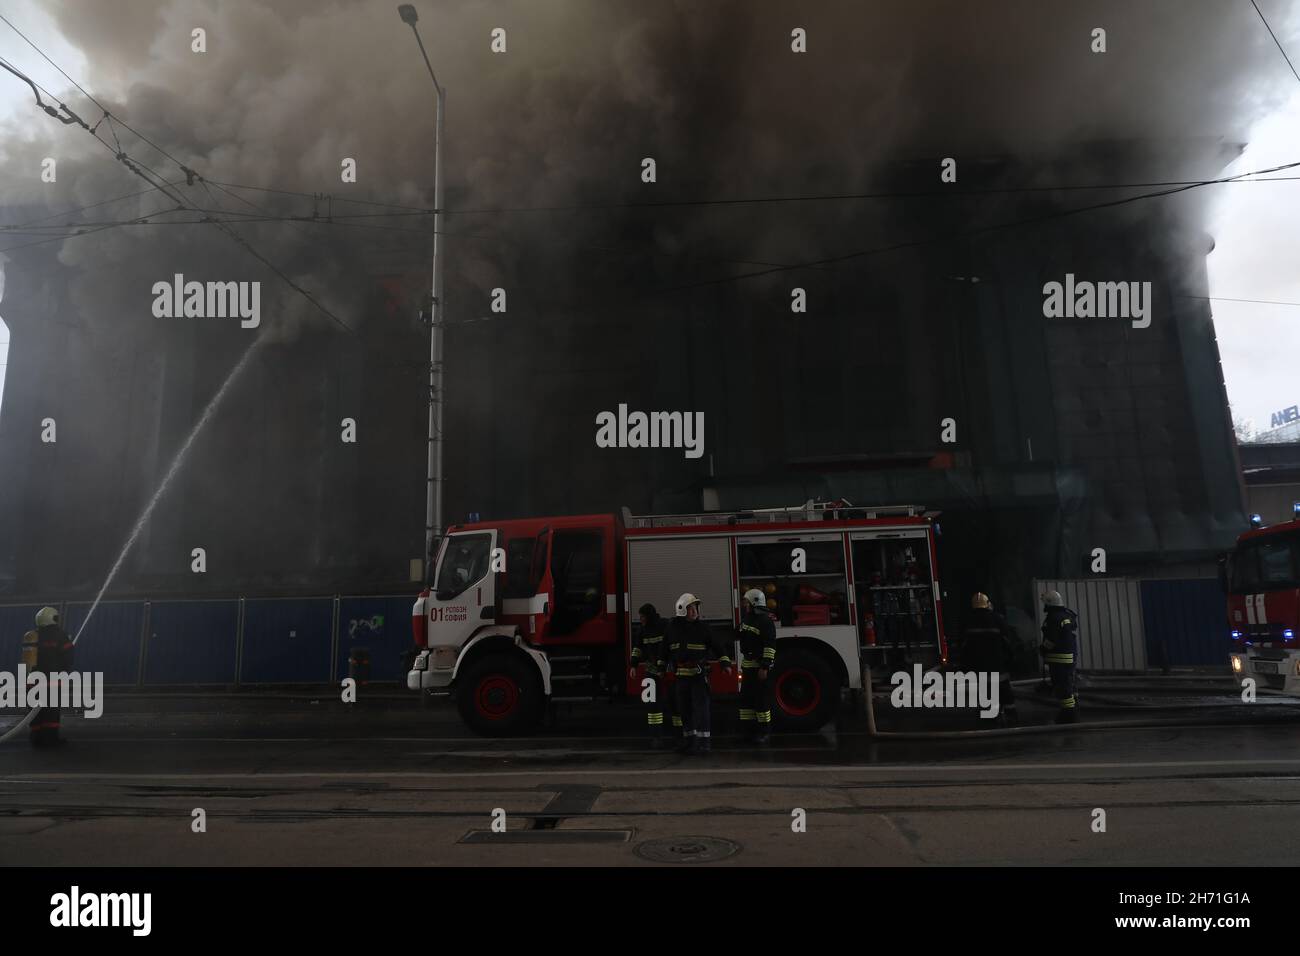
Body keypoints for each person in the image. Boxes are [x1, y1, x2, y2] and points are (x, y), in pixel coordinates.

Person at [666, 593, 729, 754]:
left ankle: (703, 743)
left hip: (699, 676)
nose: (694, 611)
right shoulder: (673, 629)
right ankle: (689, 741)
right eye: (691, 608)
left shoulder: (703, 628)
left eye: (695, 608)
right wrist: (661, 667)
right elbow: (664, 650)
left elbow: (717, 646)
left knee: (701, 710)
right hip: (681, 677)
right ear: (682, 610)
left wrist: (725, 662)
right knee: (684, 710)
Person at [960, 593, 1019, 725]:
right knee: (1005, 694)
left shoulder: (968, 621)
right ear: (988, 604)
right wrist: (1011, 660)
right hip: (998, 667)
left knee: (984, 694)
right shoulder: (998, 619)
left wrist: (965, 666)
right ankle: (1011, 719)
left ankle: (987, 720)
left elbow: (964, 647)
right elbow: (1008, 642)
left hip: (979, 668)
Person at [27, 606, 74, 747]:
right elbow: (68, 658)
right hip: (52, 682)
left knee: (35, 713)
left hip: (32, 682)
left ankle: (37, 740)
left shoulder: (31, 635)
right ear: (53, 618)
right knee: (51, 712)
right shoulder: (59, 635)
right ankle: (51, 741)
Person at [737, 588, 778, 744]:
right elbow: (741, 634)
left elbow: (770, 646)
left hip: (759, 667)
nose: (743, 604)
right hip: (748, 666)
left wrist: (765, 666)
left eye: (746, 602)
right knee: (746, 701)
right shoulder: (748, 618)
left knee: (761, 701)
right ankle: (748, 731)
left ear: (754, 603)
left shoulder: (765, 622)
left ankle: (764, 732)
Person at [629, 603, 671, 747]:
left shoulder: (664, 626)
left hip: (666, 670)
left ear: (649, 616)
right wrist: (633, 665)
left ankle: (679, 735)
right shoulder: (642, 630)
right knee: (652, 705)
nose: (640, 620)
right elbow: (637, 649)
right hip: (651, 672)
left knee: (675, 703)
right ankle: (656, 737)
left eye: (642, 617)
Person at [1039, 589, 1079, 724]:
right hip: (1069, 657)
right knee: (1069, 686)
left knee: (1063, 688)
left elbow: (1051, 639)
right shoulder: (1066, 615)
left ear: (1050, 603)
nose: (1044, 606)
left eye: (1045, 603)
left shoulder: (1053, 618)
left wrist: (1043, 649)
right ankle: (1072, 710)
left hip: (1059, 659)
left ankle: (1068, 715)